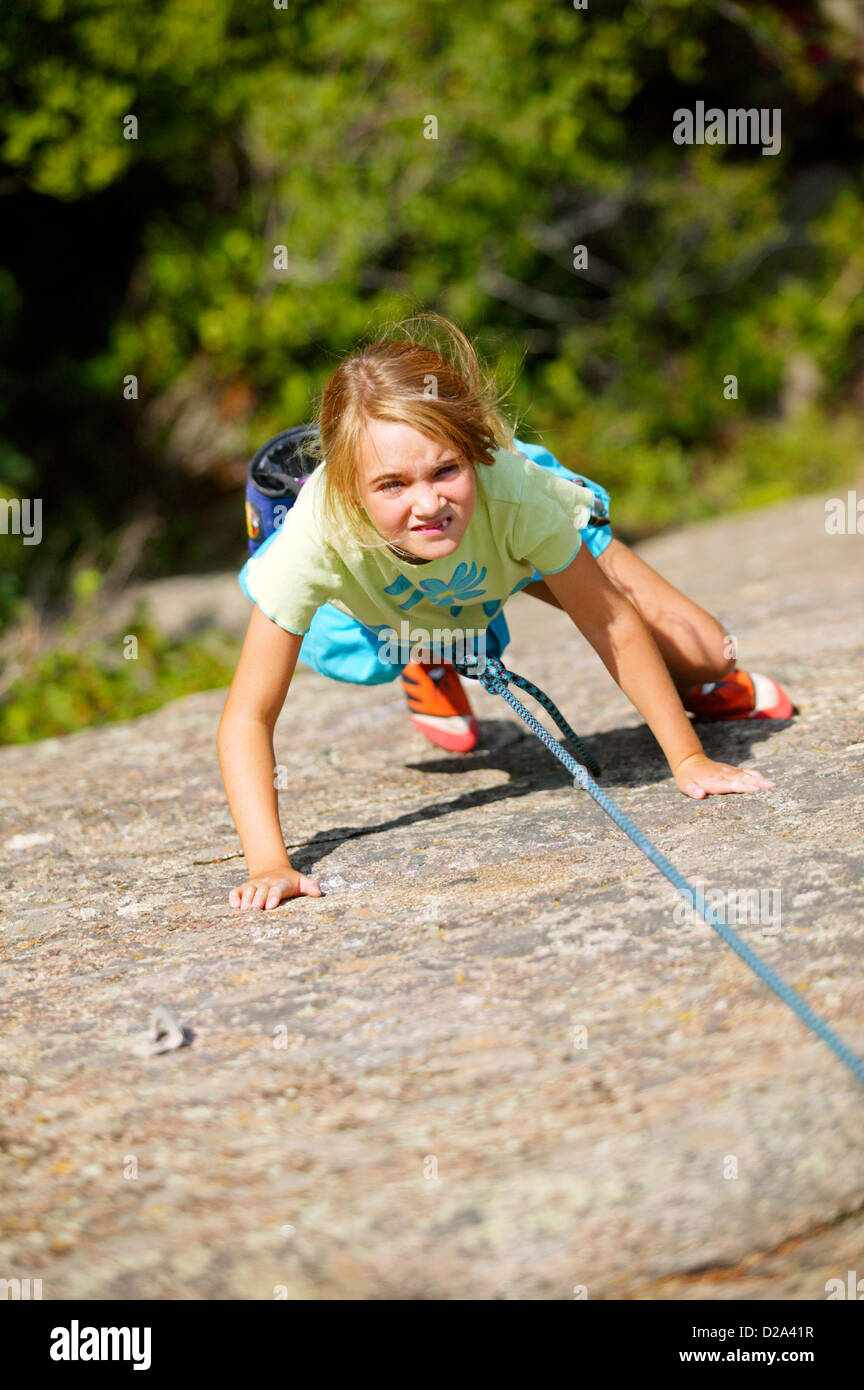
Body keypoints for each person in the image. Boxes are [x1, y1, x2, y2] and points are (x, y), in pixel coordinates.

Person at [218, 315, 791, 911]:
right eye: (392, 484)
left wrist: (688, 756)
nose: (428, 502)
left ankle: (678, 688)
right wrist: (269, 863)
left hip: (501, 547)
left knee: (707, 652)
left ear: (474, 448)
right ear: (347, 489)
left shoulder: (512, 489)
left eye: (446, 469)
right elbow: (247, 717)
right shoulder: (316, 540)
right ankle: (427, 649)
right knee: (354, 656)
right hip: (382, 588)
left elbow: (609, 621)